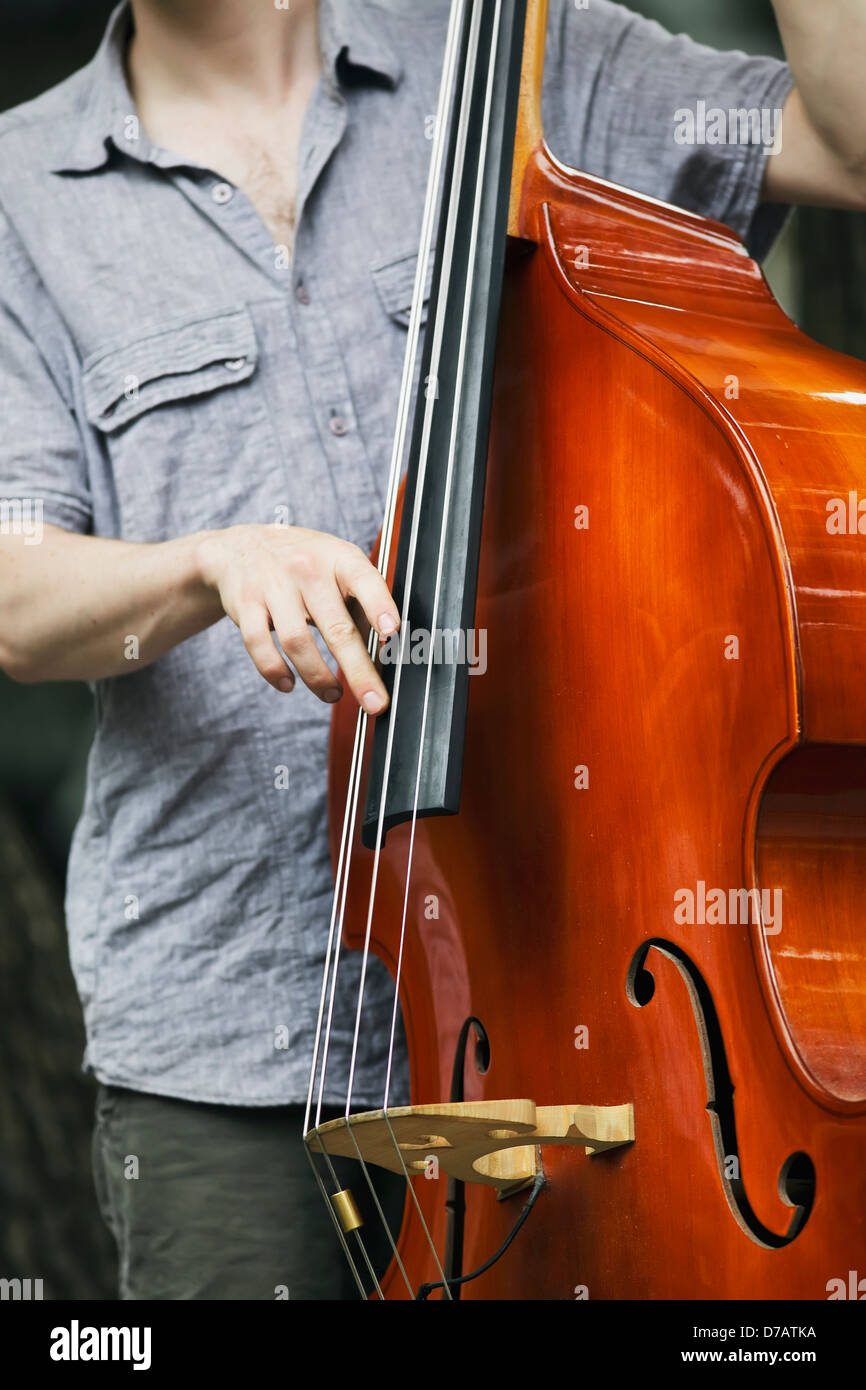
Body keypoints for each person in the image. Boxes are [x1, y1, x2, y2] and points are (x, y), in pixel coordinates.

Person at [0, 0, 863, 1301]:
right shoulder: (19, 191)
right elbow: (16, 590)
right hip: (234, 1044)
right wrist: (204, 563)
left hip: (590, 995)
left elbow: (845, 147)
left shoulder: (534, 56)